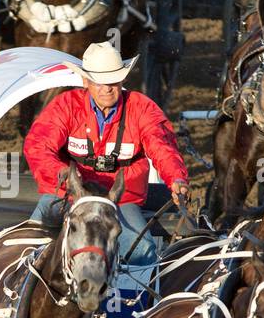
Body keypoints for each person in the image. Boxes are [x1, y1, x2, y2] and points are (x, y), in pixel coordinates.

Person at [23, 42, 188, 272]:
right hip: (70, 194)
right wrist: (61, 173)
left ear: (122, 81)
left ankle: (134, 306)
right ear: (86, 82)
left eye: (113, 81)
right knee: (32, 241)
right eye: (100, 81)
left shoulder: (142, 109)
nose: (107, 88)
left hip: (120, 198)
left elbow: (163, 148)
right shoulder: (66, 106)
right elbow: (38, 146)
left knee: (142, 251)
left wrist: (177, 179)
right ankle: (23, 293)